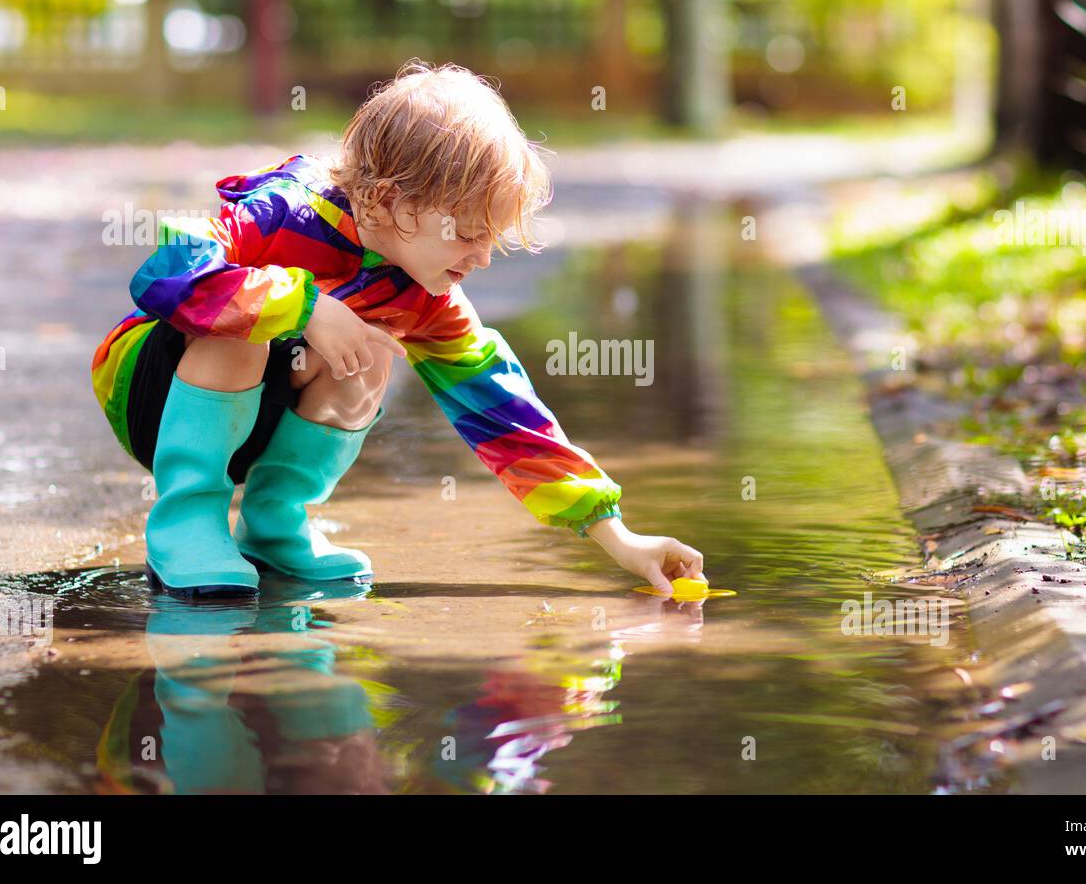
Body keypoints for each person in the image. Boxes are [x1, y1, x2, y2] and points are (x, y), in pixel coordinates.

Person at [90, 59, 705, 599]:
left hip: (256, 424)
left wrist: (617, 535)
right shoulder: (283, 211)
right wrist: (305, 307)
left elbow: (502, 409)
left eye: (490, 238)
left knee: (372, 352)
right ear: (384, 201)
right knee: (246, 326)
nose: (483, 257)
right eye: (467, 233)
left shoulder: (422, 293)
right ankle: (187, 522)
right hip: (156, 398)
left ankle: (275, 519)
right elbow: (167, 273)